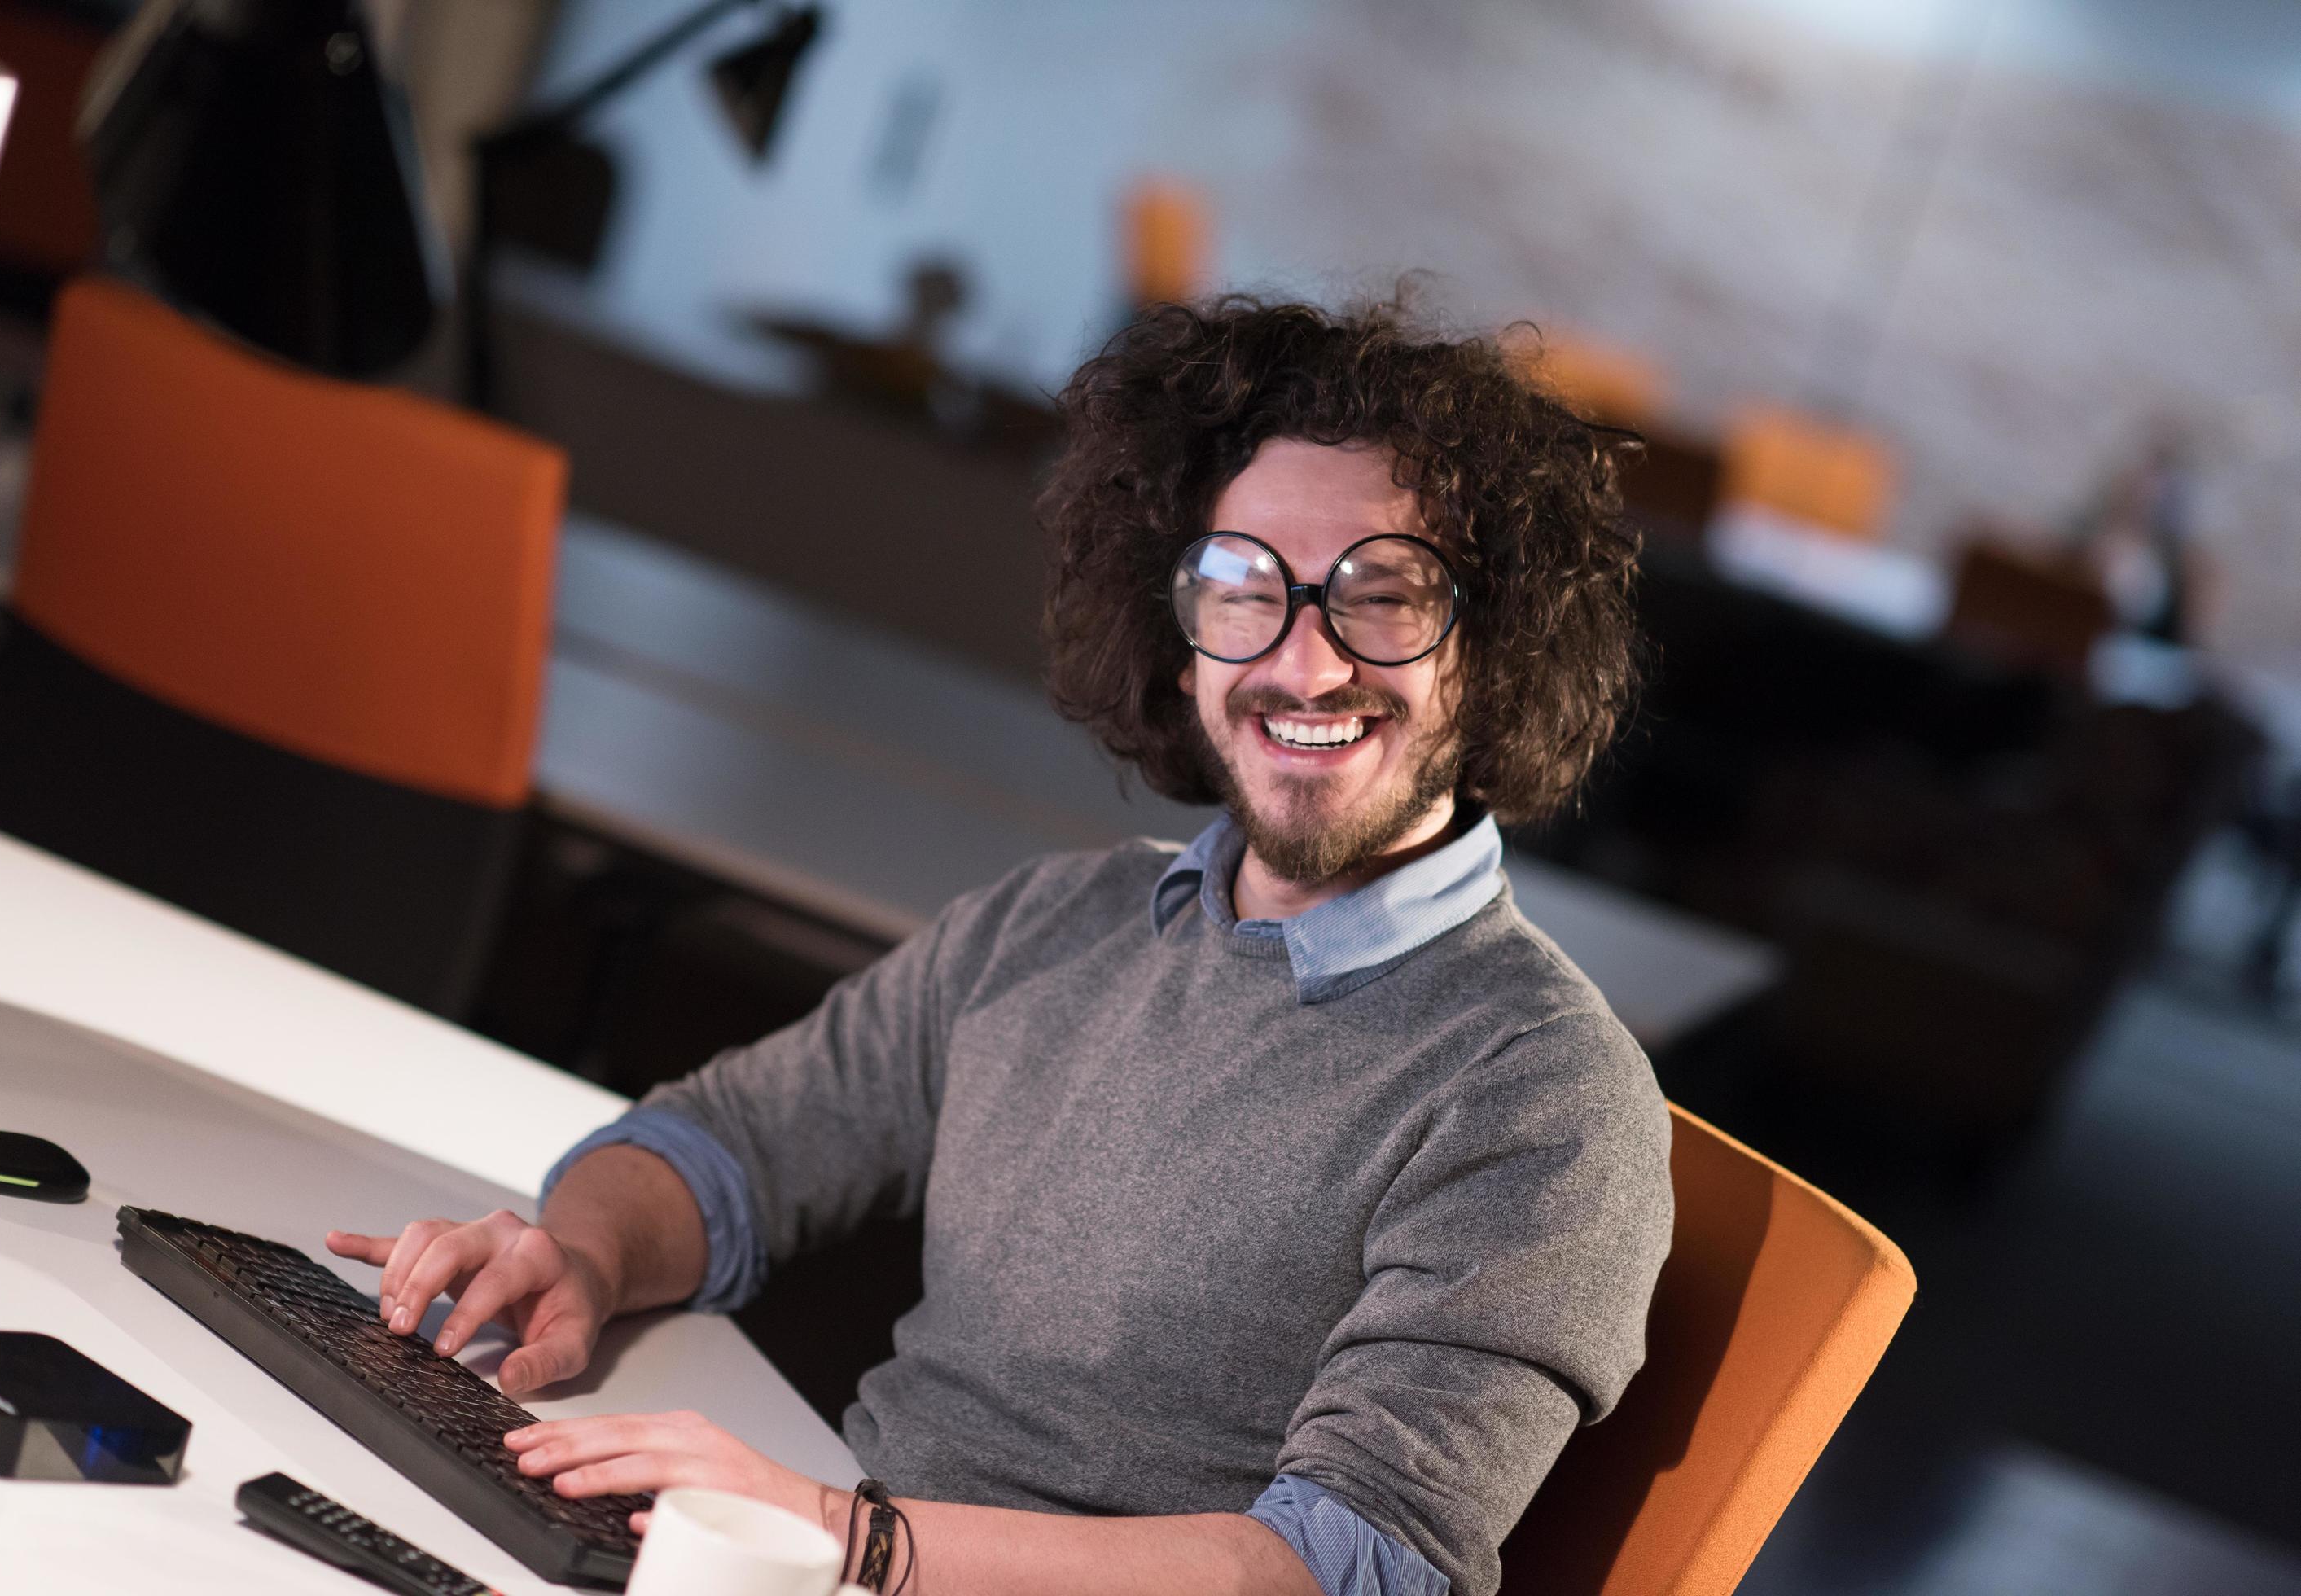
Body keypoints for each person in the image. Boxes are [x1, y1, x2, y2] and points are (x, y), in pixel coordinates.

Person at [327, 296, 1674, 1595]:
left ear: (1496, 648)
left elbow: (1339, 1570)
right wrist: (585, 1255)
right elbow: (730, 1143)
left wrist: (846, 1542)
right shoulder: (1059, 923)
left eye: (1382, 597)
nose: (1302, 664)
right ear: (1179, 630)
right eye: (1241, 587)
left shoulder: (1543, 1093)